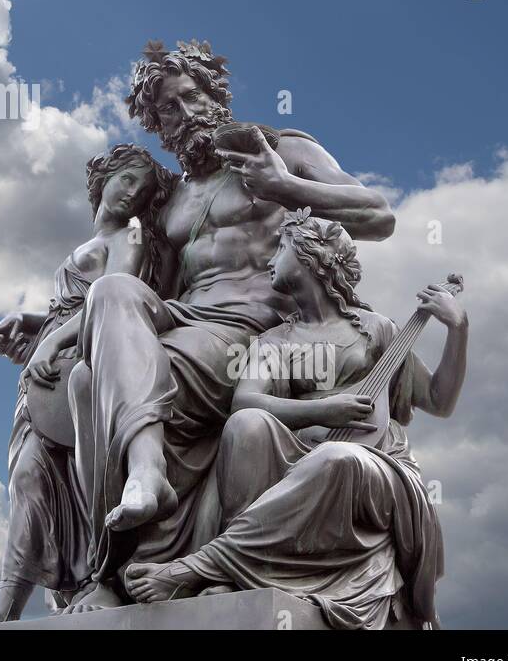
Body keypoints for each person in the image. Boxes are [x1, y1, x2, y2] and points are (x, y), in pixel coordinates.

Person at [64, 40, 396, 612]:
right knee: (101, 322)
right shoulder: (168, 199)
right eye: (169, 107)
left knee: (102, 384)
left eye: (195, 95)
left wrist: (287, 187)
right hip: (186, 319)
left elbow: (378, 216)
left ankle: (124, 560)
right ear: (157, 125)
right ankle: (138, 497)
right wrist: (52, 324)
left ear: (218, 95)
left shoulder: (281, 148)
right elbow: (128, 271)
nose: (187, 111)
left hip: (255, 332)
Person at [124, 209, 468, 629]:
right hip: (304, 453)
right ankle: (238, 570)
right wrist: (322, 410)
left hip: (376, 469)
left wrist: (458, 329)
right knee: (247, 426)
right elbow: (245, 401)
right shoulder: (275, 341)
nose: (270, 259)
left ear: (311, 256)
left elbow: (438, 399)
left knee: (339, 459)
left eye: (281, 247)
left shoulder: (376, 330)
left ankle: (200, 567)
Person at [0, 144, 177, 622]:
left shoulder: (131, 236)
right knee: (27, 479)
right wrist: (24, 322)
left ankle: (84, 576)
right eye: (127, 179)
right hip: (47, 374)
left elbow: (108, 297)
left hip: (82, 363)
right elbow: (63, 307)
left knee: (56, 478)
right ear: (103, 178)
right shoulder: (92, 240)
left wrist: (49, 345)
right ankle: (10, 605)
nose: (132, 194)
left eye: (144, 190)